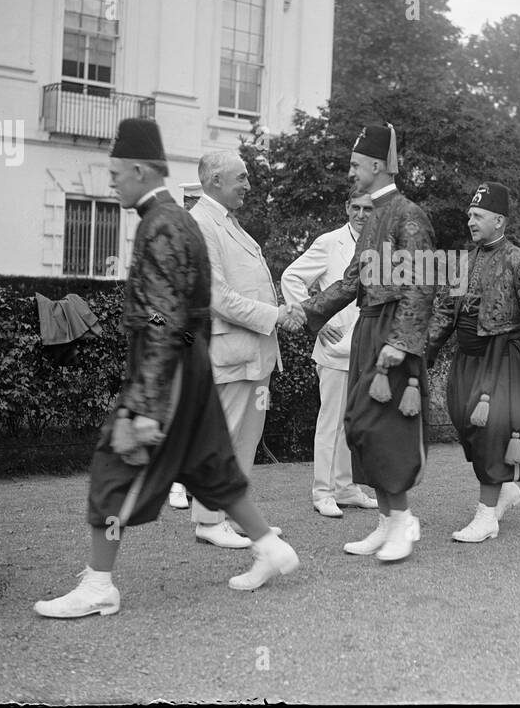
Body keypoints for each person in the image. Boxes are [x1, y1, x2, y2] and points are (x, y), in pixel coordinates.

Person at [36, 120, 297, 617]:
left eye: (115, 173)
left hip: (168, 371)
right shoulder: (178, 219)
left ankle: (98, 585)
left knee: (116, 469)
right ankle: (271, 547)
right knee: (211, 466)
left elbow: (162, 319)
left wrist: (147, 406)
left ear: (138, 170)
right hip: (190, 364)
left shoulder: (162, 225)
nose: (111, 181)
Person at [301, 123, 436, 562]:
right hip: (368, 328)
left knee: (386, 430)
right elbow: (352, 280)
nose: (351, 172)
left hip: (391, 334)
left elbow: (420, 281)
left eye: (357, 164)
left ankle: (401, 523)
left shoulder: (408, 214)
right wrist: (305, 312)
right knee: (360, 426)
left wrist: (402, 340)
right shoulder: (375, 215)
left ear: (377, 165)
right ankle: (385, 523)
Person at [169, 151, 302, 548]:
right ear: (213, 180)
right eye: (241, 178)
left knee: (245, 439)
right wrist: (276, 315)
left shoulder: (227, 221)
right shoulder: (200, 224)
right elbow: (218, 298)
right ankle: (209, 521)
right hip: (230, 353)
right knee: (224, 438)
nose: (248, 185)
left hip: (253, 353)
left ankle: (235, 515)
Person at [425, 182, 520, 540]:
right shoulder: (466, 259)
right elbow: (446, 310)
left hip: (502, 355)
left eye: (478, 216)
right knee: (463, 418)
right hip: (467, 355)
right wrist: (424, 348)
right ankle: (505, 488)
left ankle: (486, 515)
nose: (471, 221)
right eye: (469, 215)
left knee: (492, 430)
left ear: (499, 220)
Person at [280, 189, 380, 517]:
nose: (362, 214)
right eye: (356, 207)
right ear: (346, 207)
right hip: (335, 349)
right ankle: (322, 492)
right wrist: (315, 320)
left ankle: (346, 487)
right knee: (331, 423)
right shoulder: (328, 242)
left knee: (355, 422)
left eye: (368, 208)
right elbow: (291, 277)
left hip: (367, 349)